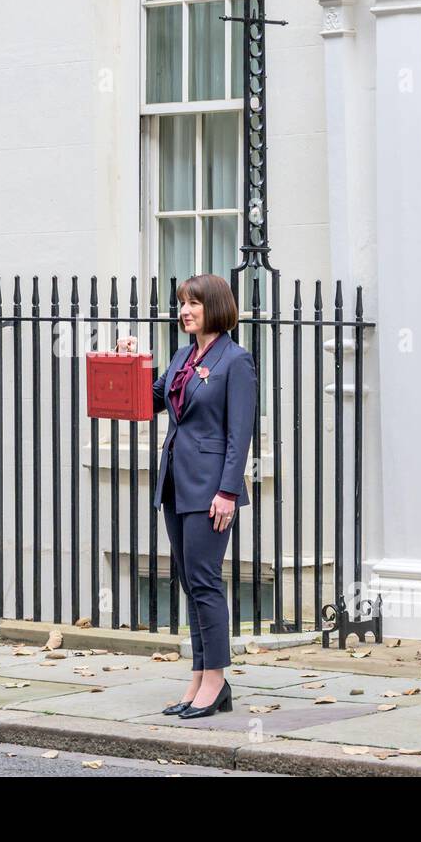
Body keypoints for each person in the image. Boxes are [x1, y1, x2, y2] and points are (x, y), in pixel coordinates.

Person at [116, 274, 256, 719]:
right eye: (181, 303)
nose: (184, 311)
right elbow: (148, 402)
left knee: (205, 581)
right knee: (191, 583)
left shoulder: (237, 361)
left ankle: (214, 680)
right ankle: (200, 677)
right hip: (175, 483)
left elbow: (240, 434)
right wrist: (131, 360)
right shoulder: (181, 356)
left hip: (212, 489)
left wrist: (228, 492)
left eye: (193, 303)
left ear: (214, 306)